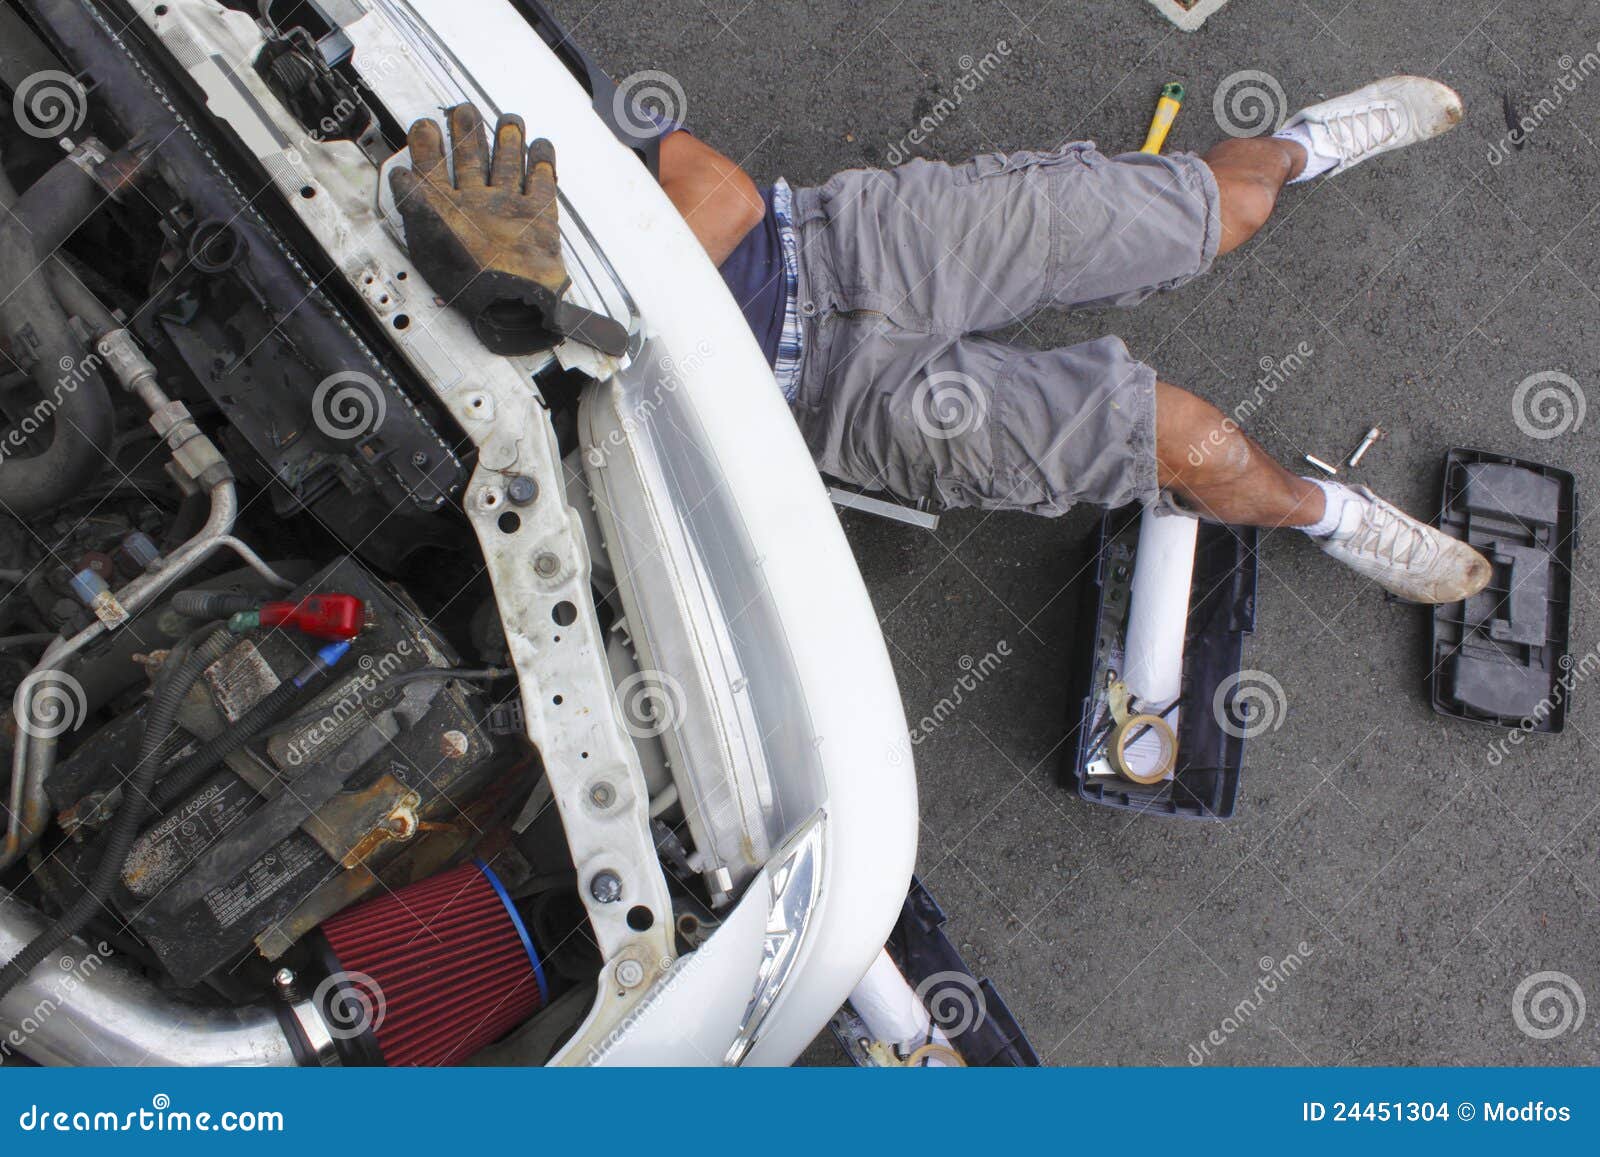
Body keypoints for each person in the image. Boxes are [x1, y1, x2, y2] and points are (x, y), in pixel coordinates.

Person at [392, 77, 1490, 603]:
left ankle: (1302, 147)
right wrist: (565, 307)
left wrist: (574, 311)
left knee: (1226, 209)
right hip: (830, 399)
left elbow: (710, 184)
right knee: (1188, 449)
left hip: (854, 241)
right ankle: (1327, 512)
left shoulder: (468, 131)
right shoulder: (415, 355)